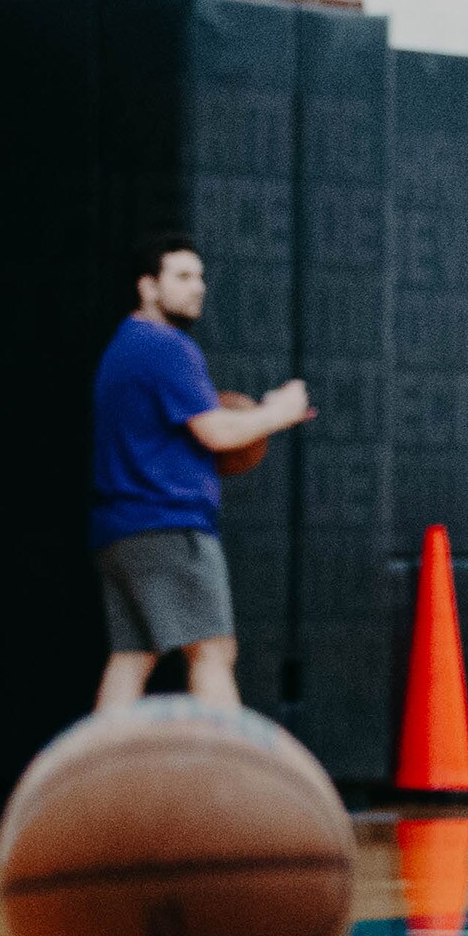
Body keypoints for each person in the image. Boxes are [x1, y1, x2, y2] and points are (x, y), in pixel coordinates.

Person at [91, 236, 314, 711]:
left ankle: (96, 782)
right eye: (183, 277)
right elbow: (217, 433)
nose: (198, 288)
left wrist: (259, 415)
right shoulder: (166, 347)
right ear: (148, 287)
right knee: (213, 652)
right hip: (168, 526)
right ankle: (229, 784)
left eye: (200, 276)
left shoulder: (123, 346)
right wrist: (282, 413)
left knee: (131, 657)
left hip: (121, 532)